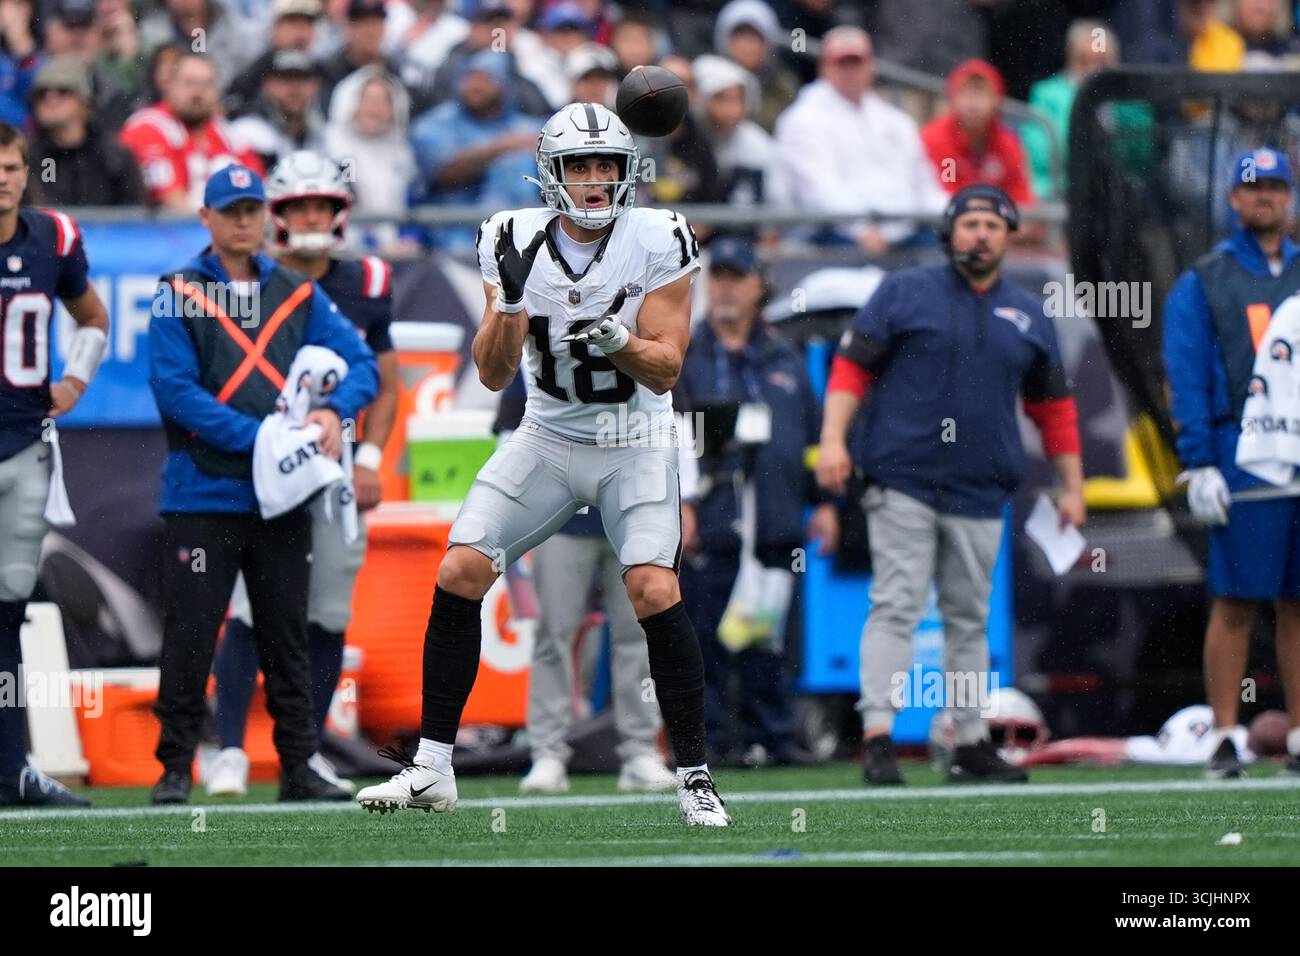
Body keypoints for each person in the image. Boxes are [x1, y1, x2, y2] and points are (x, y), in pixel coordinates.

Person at [356, 101, 733, 827]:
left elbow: (662, 371)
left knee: (653, 588)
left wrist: (614, 335)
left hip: (634, 440)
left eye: (607, 167)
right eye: (579, 167)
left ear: (626, 174)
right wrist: (512, 305)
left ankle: (694, 777)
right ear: (550, 174)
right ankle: (432, 766)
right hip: (548, 436)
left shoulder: (660, 235)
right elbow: (495, 375)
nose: (594, 181)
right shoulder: (510, 234)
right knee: (460, 567)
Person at [816, 184, 1085, 786]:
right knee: (896, 604)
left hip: (981, 488)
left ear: (1010, 235)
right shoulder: (904, 291)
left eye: (993, 224)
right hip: (902, 478)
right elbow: (851, 368)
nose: (981, 234)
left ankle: (967, 740)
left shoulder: (1027, 312)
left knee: (969, 618)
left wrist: (1073, 486)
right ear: (949, 233)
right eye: (970, 224)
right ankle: (879, 736)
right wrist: (833, 438)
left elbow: (1055, 409)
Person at [146, 163, 378, 805]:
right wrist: (264, 440)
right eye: (231, 210)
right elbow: (173, 389)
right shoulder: (178, 290)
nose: (244, 220)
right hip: (202, 494)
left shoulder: (296, 292)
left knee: (287, 636)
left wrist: (334, 411)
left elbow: (360, 363)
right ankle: (173, 770)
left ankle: (297, 766)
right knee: (191, 635)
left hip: (280, 497)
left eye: (252, 209)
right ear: (207, 218)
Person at [206, 151, 399, 797]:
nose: (313, 217)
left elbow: (387, 379)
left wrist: (370, 457)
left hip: (336, 467)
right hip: (264, 464)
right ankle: (229, 749)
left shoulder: (366, 279)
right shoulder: (251, 282)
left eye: (323, 206)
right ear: (278, 216)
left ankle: (305, 755)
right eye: (300, 207)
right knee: (248, 608)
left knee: (327, 610)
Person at [1162, 148, 1300, 779]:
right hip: (1241, 451)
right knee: (1239, 598)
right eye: (1255, 187)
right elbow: (1185, 372)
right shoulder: (1207, 278)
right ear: (1234, 199)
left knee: (1299, 602)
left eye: (1276, 186)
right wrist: (1197, 460)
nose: (1266, 197)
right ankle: (1224, 734)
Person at [676, 236, 836, 765]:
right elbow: (670, 436)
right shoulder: (684, 356)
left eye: (734, 277)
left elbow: (809, 438)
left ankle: (776, 735)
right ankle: (715, 742)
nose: (722, 287)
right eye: (715, 276)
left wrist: (826, 504)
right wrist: (682, 503)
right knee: (708, 636)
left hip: (777, 519)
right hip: (713, 517)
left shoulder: (784, 357)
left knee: (771, 638)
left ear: (758, 287)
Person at [491, 374, 676, 795]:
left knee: (639, 634)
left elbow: (669, 416)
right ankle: (548, 752)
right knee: (554, 633)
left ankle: (640, 749)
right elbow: (511, 429)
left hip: (632, 502)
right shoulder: (543, 333)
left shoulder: (638, 325)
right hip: (561, 514)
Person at [0, 122, 110, 808]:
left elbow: (92, 319)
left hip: (24, 445)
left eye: (11, 166)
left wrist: (74, 381)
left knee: (9, 609)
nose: (4, 177)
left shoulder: (54, 239)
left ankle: (13, 766)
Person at [773, 26, 948, 256]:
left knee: (958, 250)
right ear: (824, 67)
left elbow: (924, 187)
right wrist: (861, 229)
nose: (850, 71)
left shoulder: (895, 120)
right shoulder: (802, 119)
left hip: (905, 232)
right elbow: (818, 190)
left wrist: (960, 213)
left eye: (856, 62)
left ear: (871, 66)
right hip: (833, 235)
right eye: (842, 63)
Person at [120, 52, 264, 211]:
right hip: (170, 232)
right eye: (189, 83)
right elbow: (172, 202)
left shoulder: (230, 136)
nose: (198, 93)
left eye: (206, 85)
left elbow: (260, 191)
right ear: (169, 85)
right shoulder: (148, 126)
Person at [26, 57, 145, 206]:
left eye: (63, 91)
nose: (50, 99)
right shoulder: (29, 158)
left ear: (85, 103)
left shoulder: (113, 156)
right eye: (42, 93)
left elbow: (134, 215)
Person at [921, 60, 1034, 206]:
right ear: (952, 98)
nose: (972, 104)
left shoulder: (1008, 143)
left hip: (998, 223)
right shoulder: (936, 138)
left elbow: (1022, 197)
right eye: (966, 94)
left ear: (996, 101)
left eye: (981, 94)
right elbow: (945, 195)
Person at [229, 49, 327, 171]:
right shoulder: (248, 133)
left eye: (303, 80)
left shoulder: (328, 136)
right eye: (285, 80)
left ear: (316, 86)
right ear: (267, 85)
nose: (295, 88)